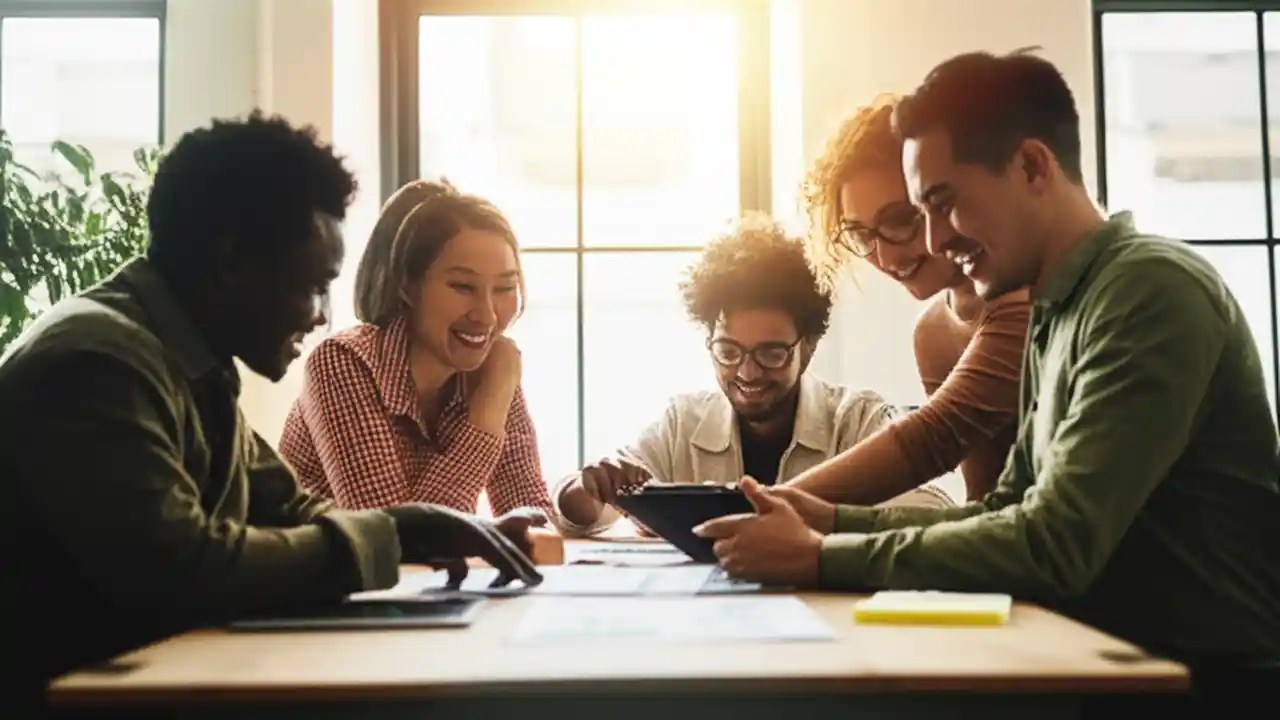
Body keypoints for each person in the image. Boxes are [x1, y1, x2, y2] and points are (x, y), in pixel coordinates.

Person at [696, 51, 1280, 670]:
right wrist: (832, 521)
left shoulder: (1149, 291)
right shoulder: (1057, 310)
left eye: (943, 204)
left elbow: (1054, 544)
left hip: (1205, 680)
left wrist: (818, 554)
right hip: (1100, 658)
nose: (934, 240)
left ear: (1032, 166)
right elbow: (1007, 509)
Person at [0, 114, 544, 695]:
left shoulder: (188, 362)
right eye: (313, 285)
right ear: (234, 263)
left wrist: (430, 529)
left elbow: (288, 506)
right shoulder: (98, 363)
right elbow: (184, 568)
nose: (320, 315)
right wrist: (394, 534)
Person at [553, 213, 943, 536]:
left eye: (771, 353)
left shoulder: (856, 419)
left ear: (807, 347)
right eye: (728, 351)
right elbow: (584, 514)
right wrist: (588, 489)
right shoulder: (682, 424)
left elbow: (930, 509)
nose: (747, 371)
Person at [790, 94, 1030, 504]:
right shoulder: (933, 333)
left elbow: (932, 440)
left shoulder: (1028, 297)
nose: (886, 257)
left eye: (900, 220)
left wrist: (757, 506)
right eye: (862, 236)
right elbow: (984, 499)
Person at [279, 179, 552, 516]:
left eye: (505, 287)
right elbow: (397, 538)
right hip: (322, 568)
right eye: (463, 286)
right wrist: (488, 409)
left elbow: (530, 511)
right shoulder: (342, 362)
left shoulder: (489, 366)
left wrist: (579, 502)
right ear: (407, 285)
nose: (487, 315)